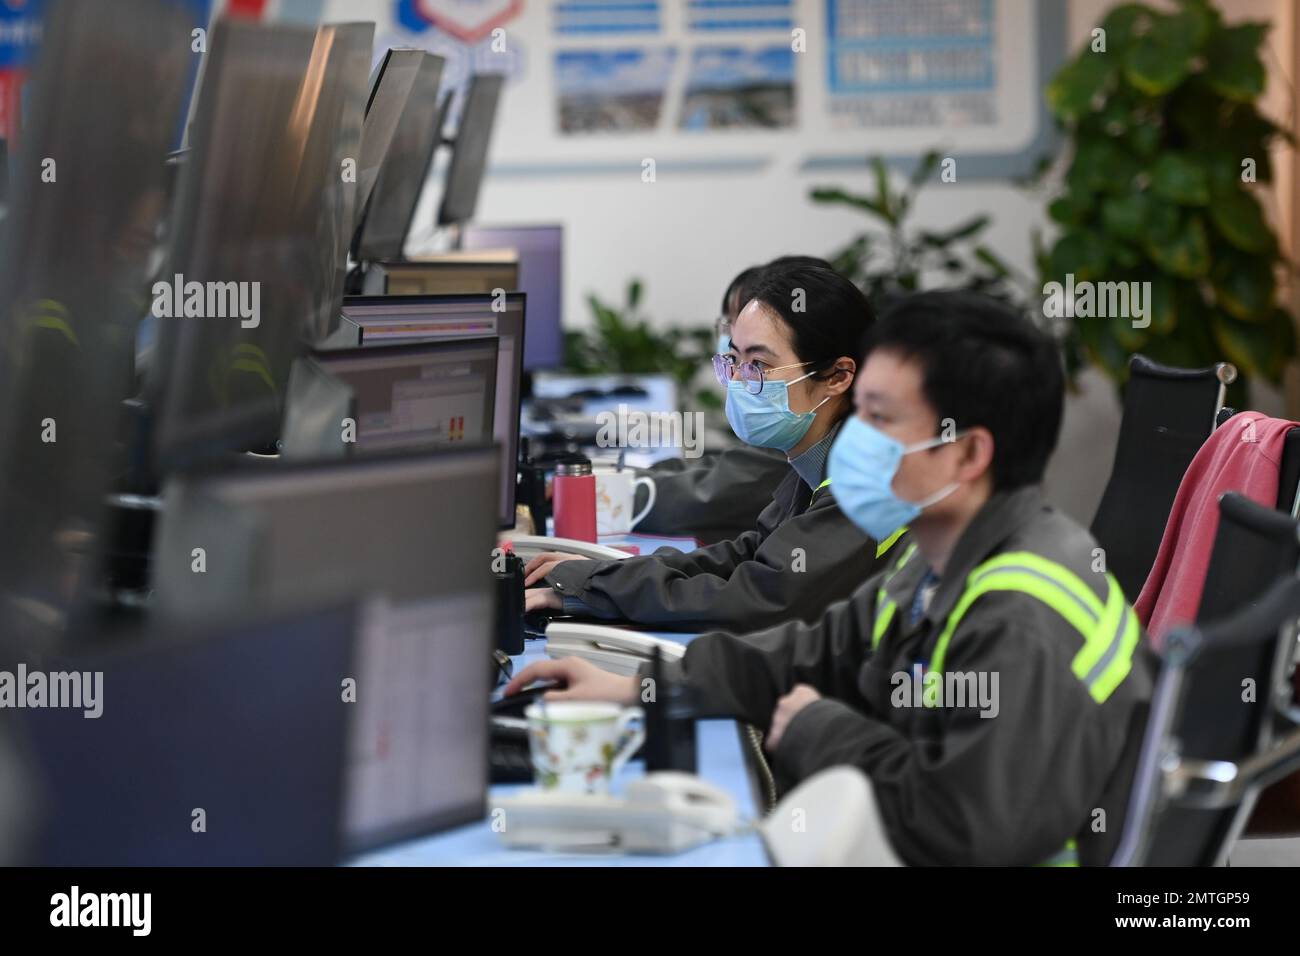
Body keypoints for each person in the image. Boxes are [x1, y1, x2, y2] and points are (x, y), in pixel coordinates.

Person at [508, 291, 1154, 866]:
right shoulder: (943, 559)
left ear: (967, 452)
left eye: (879, 418)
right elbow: (812, 651)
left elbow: (966, 831)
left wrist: (821, 730)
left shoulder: (1021, 615)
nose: (852, 441)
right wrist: (640, 688)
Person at [523, 261, 903, 633]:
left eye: (758, 365)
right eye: (733, 362)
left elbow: (759, 596)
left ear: (837, 376)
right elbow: (745, 555)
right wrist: (593, 580)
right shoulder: (818, 459)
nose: (737, 381)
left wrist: (594, 586)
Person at [630, 262, 789, 545]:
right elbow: (722, 470)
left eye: (758, 361)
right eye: (728, 325)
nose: (738, 372)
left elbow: (702, 498)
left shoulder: (793, 458)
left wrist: (597, 491)